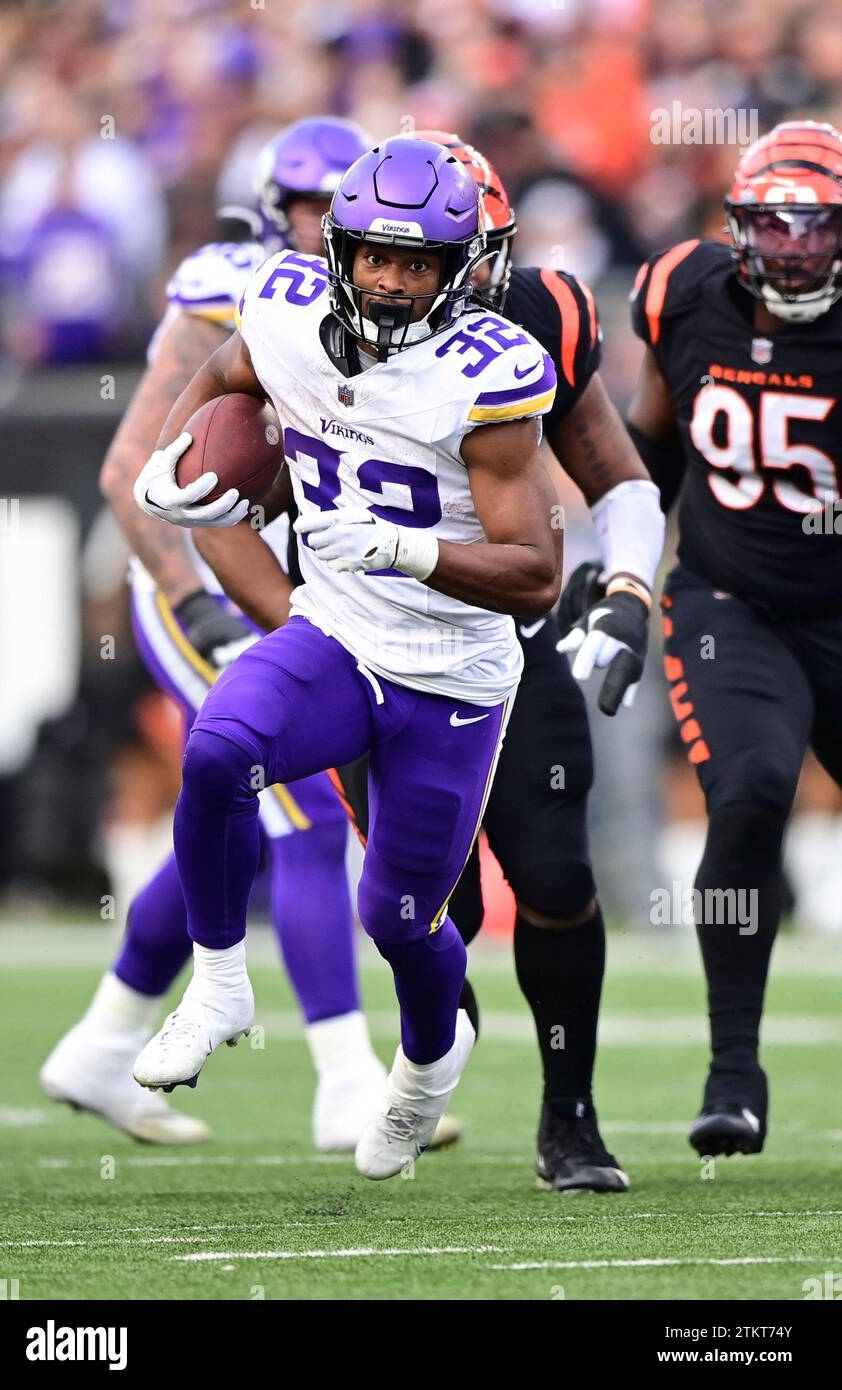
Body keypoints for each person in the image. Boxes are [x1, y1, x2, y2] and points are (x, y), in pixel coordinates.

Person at [131, 137, 561, 1180]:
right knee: (218, 748)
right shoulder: (277, 306)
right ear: (336, 247)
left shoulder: (486, 374)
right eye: (372, 255)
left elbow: (535, 574)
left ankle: (420, 1075)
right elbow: (228, 370)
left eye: (416, 264)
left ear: (458, 271)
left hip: (448, 673)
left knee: (400, 917)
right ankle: (221, 981)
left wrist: (408, 547)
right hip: (334, 627)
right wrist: (175, 454)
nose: (389, 279)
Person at [41, 118, 393, 1153]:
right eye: (312, 212)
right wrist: (188, 598)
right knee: (308, 817)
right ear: (268, 212)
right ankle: (343, 1082)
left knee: (232, 838)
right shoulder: (229, 291)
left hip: (302, 586)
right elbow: (126, 471)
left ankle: (101, 1045)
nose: (336, 236)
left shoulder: (388, 309)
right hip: (200, 579)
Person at [325, 133, 665, 1192]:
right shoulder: (313, 323)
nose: (402, 281)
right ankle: (429, 1064)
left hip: (507, 641)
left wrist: (628, 591)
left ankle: (569, 1119)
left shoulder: (535, 317)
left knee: (557, 876)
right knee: (428, 906)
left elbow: (616, 476)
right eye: (384, 255)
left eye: (443, 254)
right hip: (376, 647)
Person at [625, 120, 842, 1156]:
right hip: (730, 601)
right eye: (773, 224)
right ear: (736, 229)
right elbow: (648, 445)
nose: (794, 246)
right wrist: (619, 571)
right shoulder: (679, 290)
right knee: (752, 787)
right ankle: (731, 1065)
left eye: (816, 227)